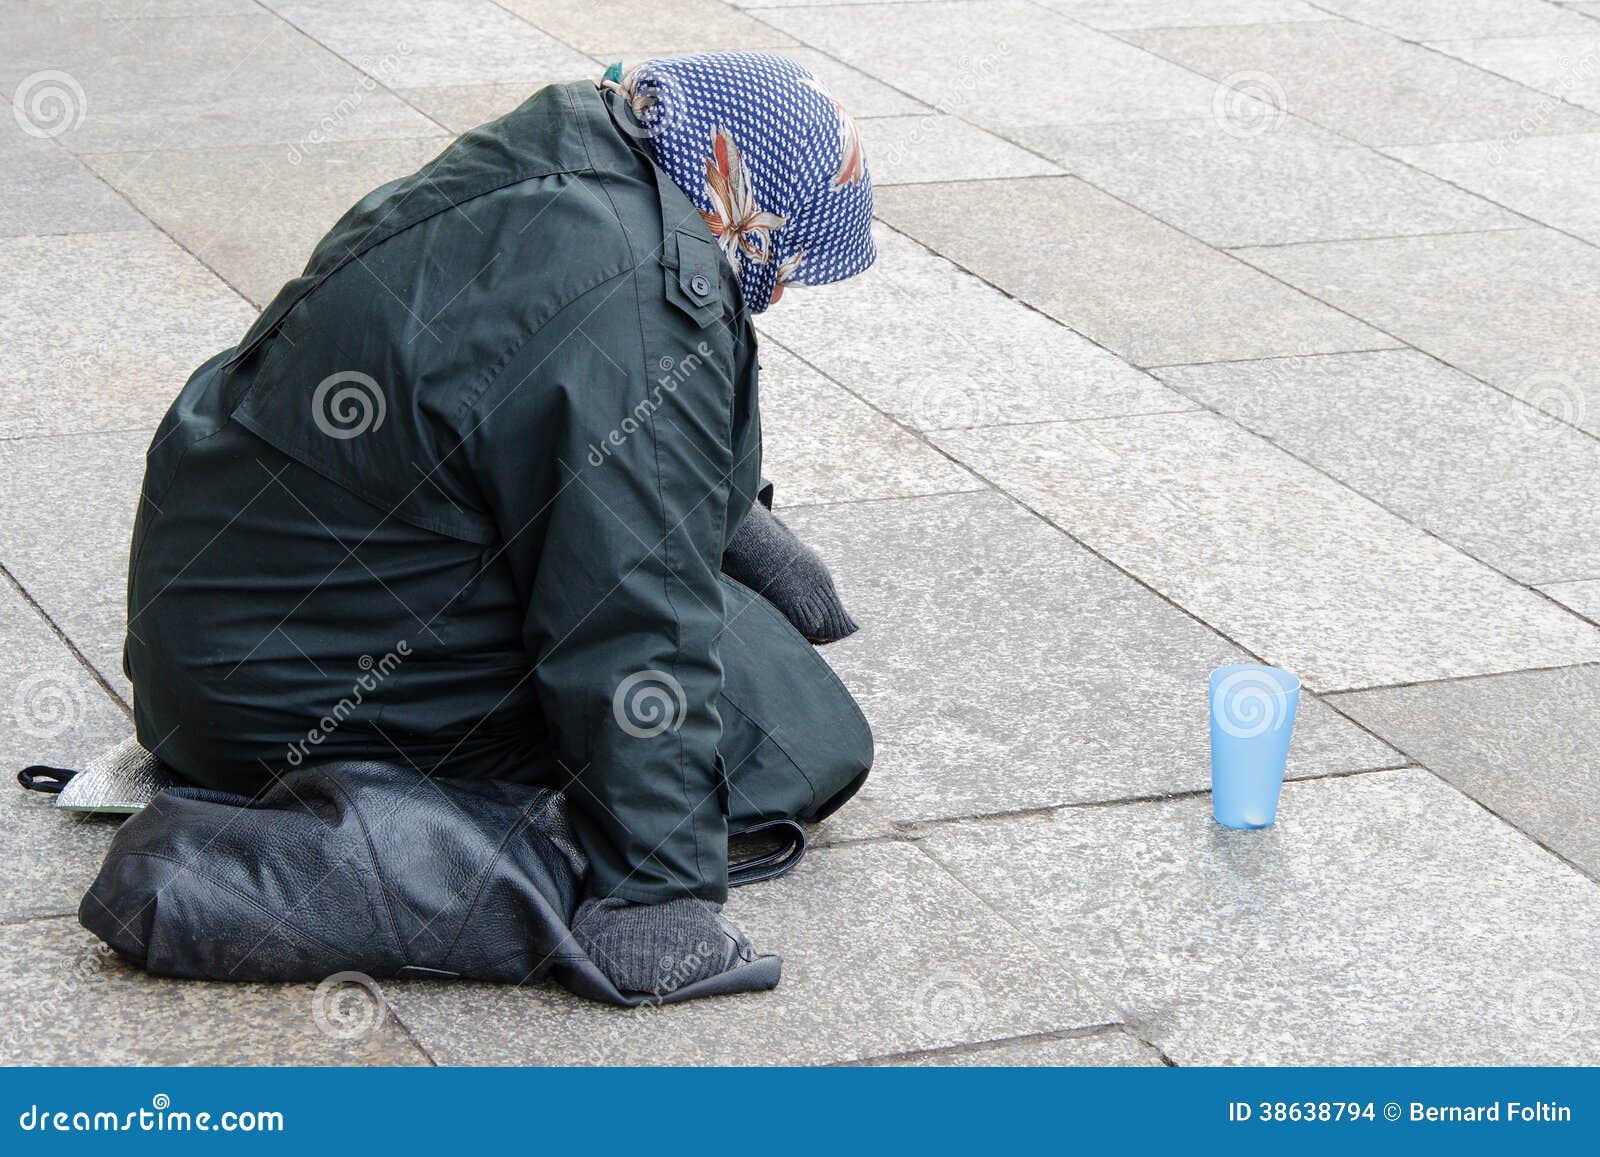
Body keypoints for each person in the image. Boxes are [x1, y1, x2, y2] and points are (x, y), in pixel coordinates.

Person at [120, 53, 876, 997]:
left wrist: (727, 518)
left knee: (737, 644)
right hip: (286, 699)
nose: (782, 286)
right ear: (749, 211)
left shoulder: (577, 151)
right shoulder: (638, 304)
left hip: (219, 624)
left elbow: (551, 402)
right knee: (793, 734)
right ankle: (382, 847)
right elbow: (631, 608)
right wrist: (659, 891)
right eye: (793, 259)